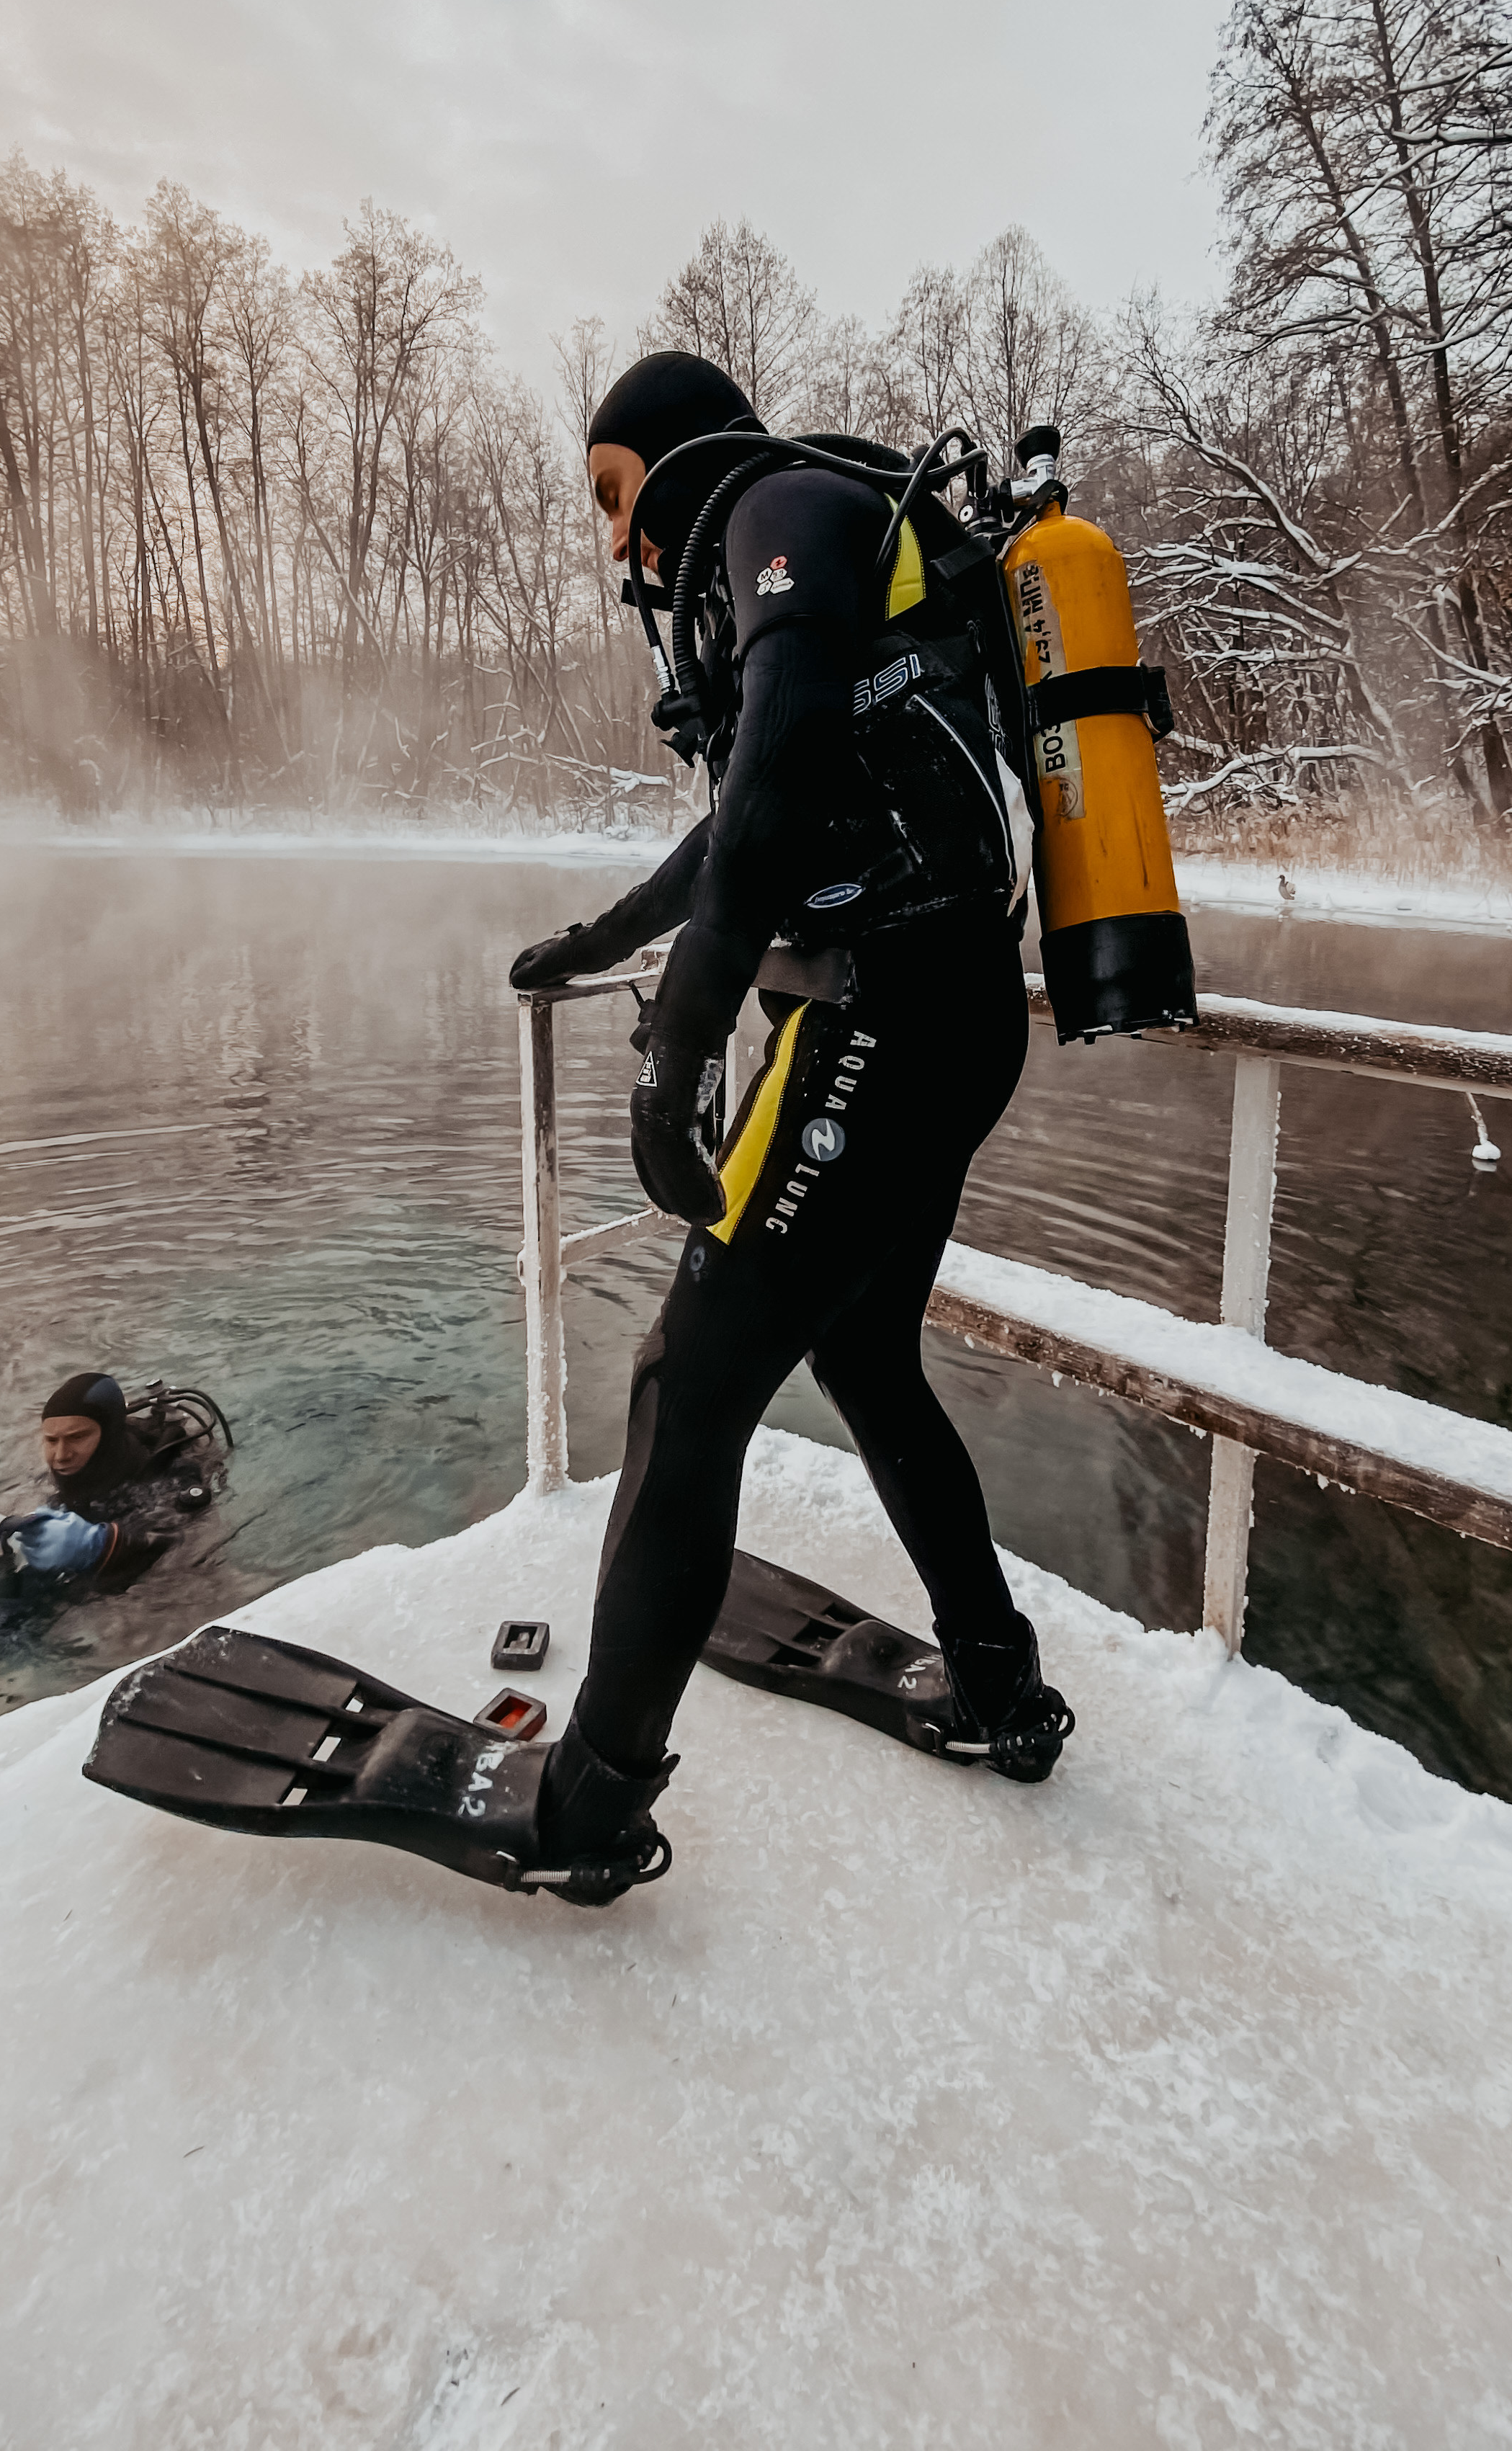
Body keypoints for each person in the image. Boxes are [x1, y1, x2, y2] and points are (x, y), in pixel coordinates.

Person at [509, 349, 1074, 1892]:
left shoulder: (781, 506)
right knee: (865, 1354)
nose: (614, 539)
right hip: (949, 1019)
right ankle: (998, 1683)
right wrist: (597, 944)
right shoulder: (834, 541)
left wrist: (678, 1046)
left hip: (881, 1024)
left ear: (677, 453)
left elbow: (771, 780)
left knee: (683, 1382)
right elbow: (742, 824)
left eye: (613, 494)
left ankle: (591, 1800)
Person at [0, 1372, 228, 1592]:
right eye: (51, 1440)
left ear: (110, 1435)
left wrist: (101, 1547)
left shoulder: (174, 1473)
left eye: (77, 1437)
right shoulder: (44, 1482)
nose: (60, 1455)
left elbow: (189, 1550)